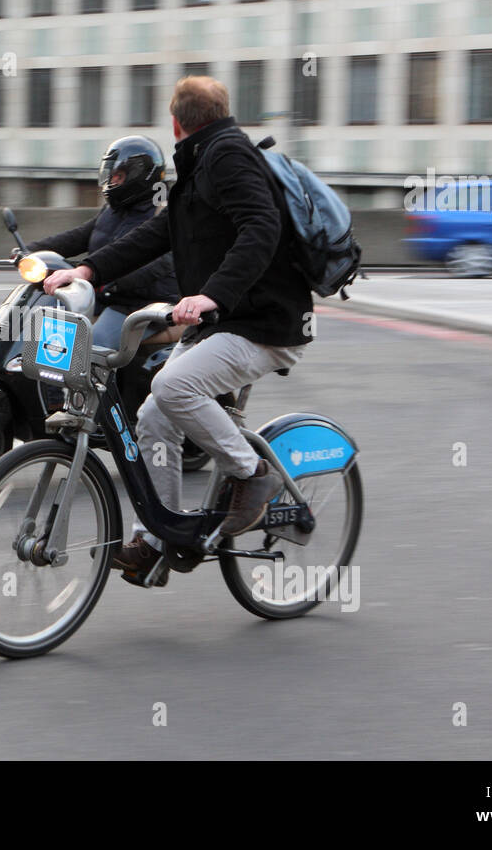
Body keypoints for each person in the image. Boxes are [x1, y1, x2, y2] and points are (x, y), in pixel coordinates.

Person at [44, 76, 314, 586]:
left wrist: (214, 294)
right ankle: (160, 533)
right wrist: (88, 271)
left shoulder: (228, 156)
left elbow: (262, 226)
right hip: (225, 321)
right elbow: (156, 235)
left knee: (171, 385)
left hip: (263, 322)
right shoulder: (199, 163)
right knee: (152, 415)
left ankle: (254, 475)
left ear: (176, 121)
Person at [25, 135, 179, 349]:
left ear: (140, 176)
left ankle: (89, 383)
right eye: (111, 175)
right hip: (106, 297)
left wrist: (107, 279)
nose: (111, 182)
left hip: (142, 304)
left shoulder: (164, 213)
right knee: (47, 327)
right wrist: (29, 251)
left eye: (119, 176)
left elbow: (157, 263)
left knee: (88, 344)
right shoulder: (113, 211)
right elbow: (78, 237)